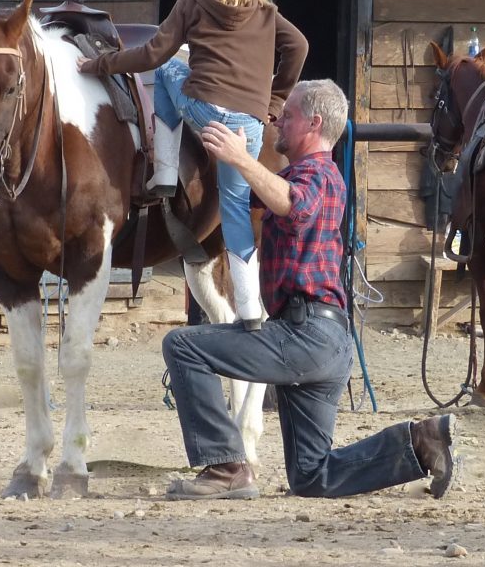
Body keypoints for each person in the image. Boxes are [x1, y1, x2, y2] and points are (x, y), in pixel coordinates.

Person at [162, 79, 459, 501]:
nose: (277, 120)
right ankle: (421, 441)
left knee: (184, 346)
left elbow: (293, 203)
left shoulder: (319, 174)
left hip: (305, 336)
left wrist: (241, 157)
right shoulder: (295, 175)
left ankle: (227, 467)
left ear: (314, 123)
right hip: (320, 341)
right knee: (311, 476)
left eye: (289, 115)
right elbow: (248, 199)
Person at [77, 0, 308, 328]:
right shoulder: (266, 11)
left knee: (168, 71)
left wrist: (99, 65)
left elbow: (152, 55)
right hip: (248, 128)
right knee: (235, 211)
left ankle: (165, 170)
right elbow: (299, 46)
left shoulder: (192, 4)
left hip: (203, 113)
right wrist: (273, 99)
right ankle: (251, 309)